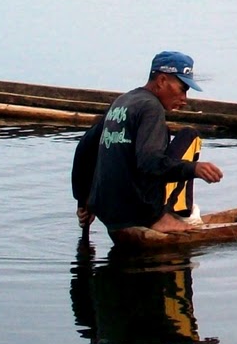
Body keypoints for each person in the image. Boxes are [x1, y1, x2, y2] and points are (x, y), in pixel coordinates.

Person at [72, 51, 224, 236]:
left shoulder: (122, 101)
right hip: (138, 213)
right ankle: (169, 215)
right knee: (189, 135)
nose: (184, 99)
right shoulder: (151, 108)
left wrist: (84, 202)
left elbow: (84, 149)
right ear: (161, 80)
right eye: (182, 88)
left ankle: (152, 213)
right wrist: (194, 168)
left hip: (106, 209)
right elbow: (149, 162)